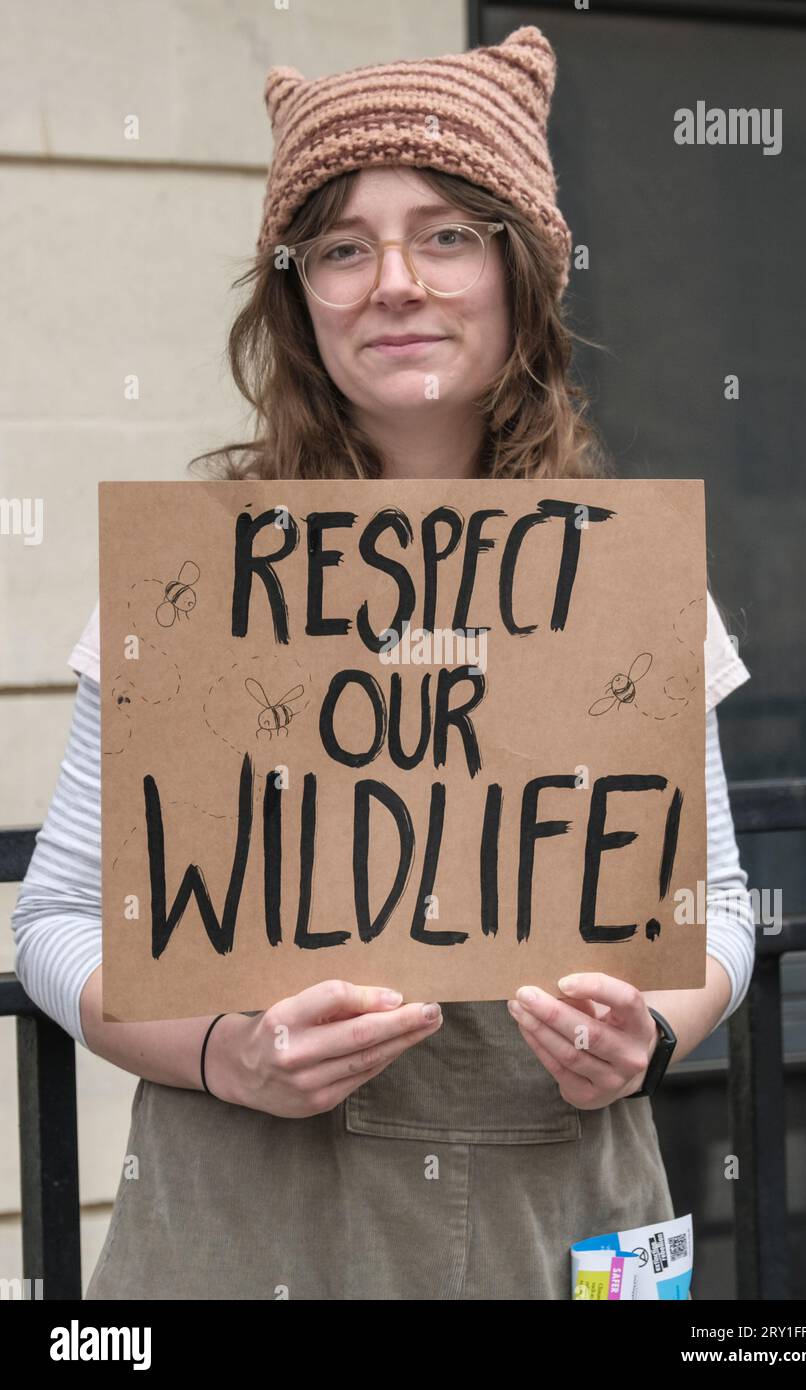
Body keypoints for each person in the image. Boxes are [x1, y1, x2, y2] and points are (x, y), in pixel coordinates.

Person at [11, 24, 755, 1300]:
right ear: (297, 295)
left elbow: (724, 904)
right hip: (244, 1224)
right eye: (341, 247)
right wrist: (223, 1053)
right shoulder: (197, 583)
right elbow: (55, 922)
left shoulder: (627, 578)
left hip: (557, 1216)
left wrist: (649, 1032)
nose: (392, 280)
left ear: (523, 270)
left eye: (447, 234)